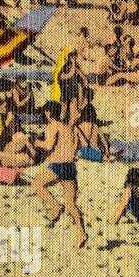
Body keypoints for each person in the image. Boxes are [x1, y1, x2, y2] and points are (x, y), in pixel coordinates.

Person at [31, 100, 87, 248]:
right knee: (70, 204)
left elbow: (48, 145)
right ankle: (81, 232)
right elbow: (75, 149)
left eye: (45, 112)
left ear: (49, 113)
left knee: (36, 184)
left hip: (58, 165)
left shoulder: (52, 126)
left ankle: (55, 207)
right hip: (70, 167)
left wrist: (36, 143)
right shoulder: (67, 128)